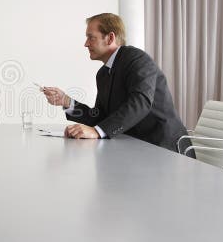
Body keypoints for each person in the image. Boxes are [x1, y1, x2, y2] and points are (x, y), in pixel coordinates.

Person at [42, 13, 189, 153]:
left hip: (164, 148)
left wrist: (97, 131)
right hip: (135, 147)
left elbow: (140, 102)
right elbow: (100, 116)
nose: (86, 44)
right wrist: (67, 102)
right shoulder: (103, 74)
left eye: (91, 38)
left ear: (110, 38)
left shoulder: (137, 59)